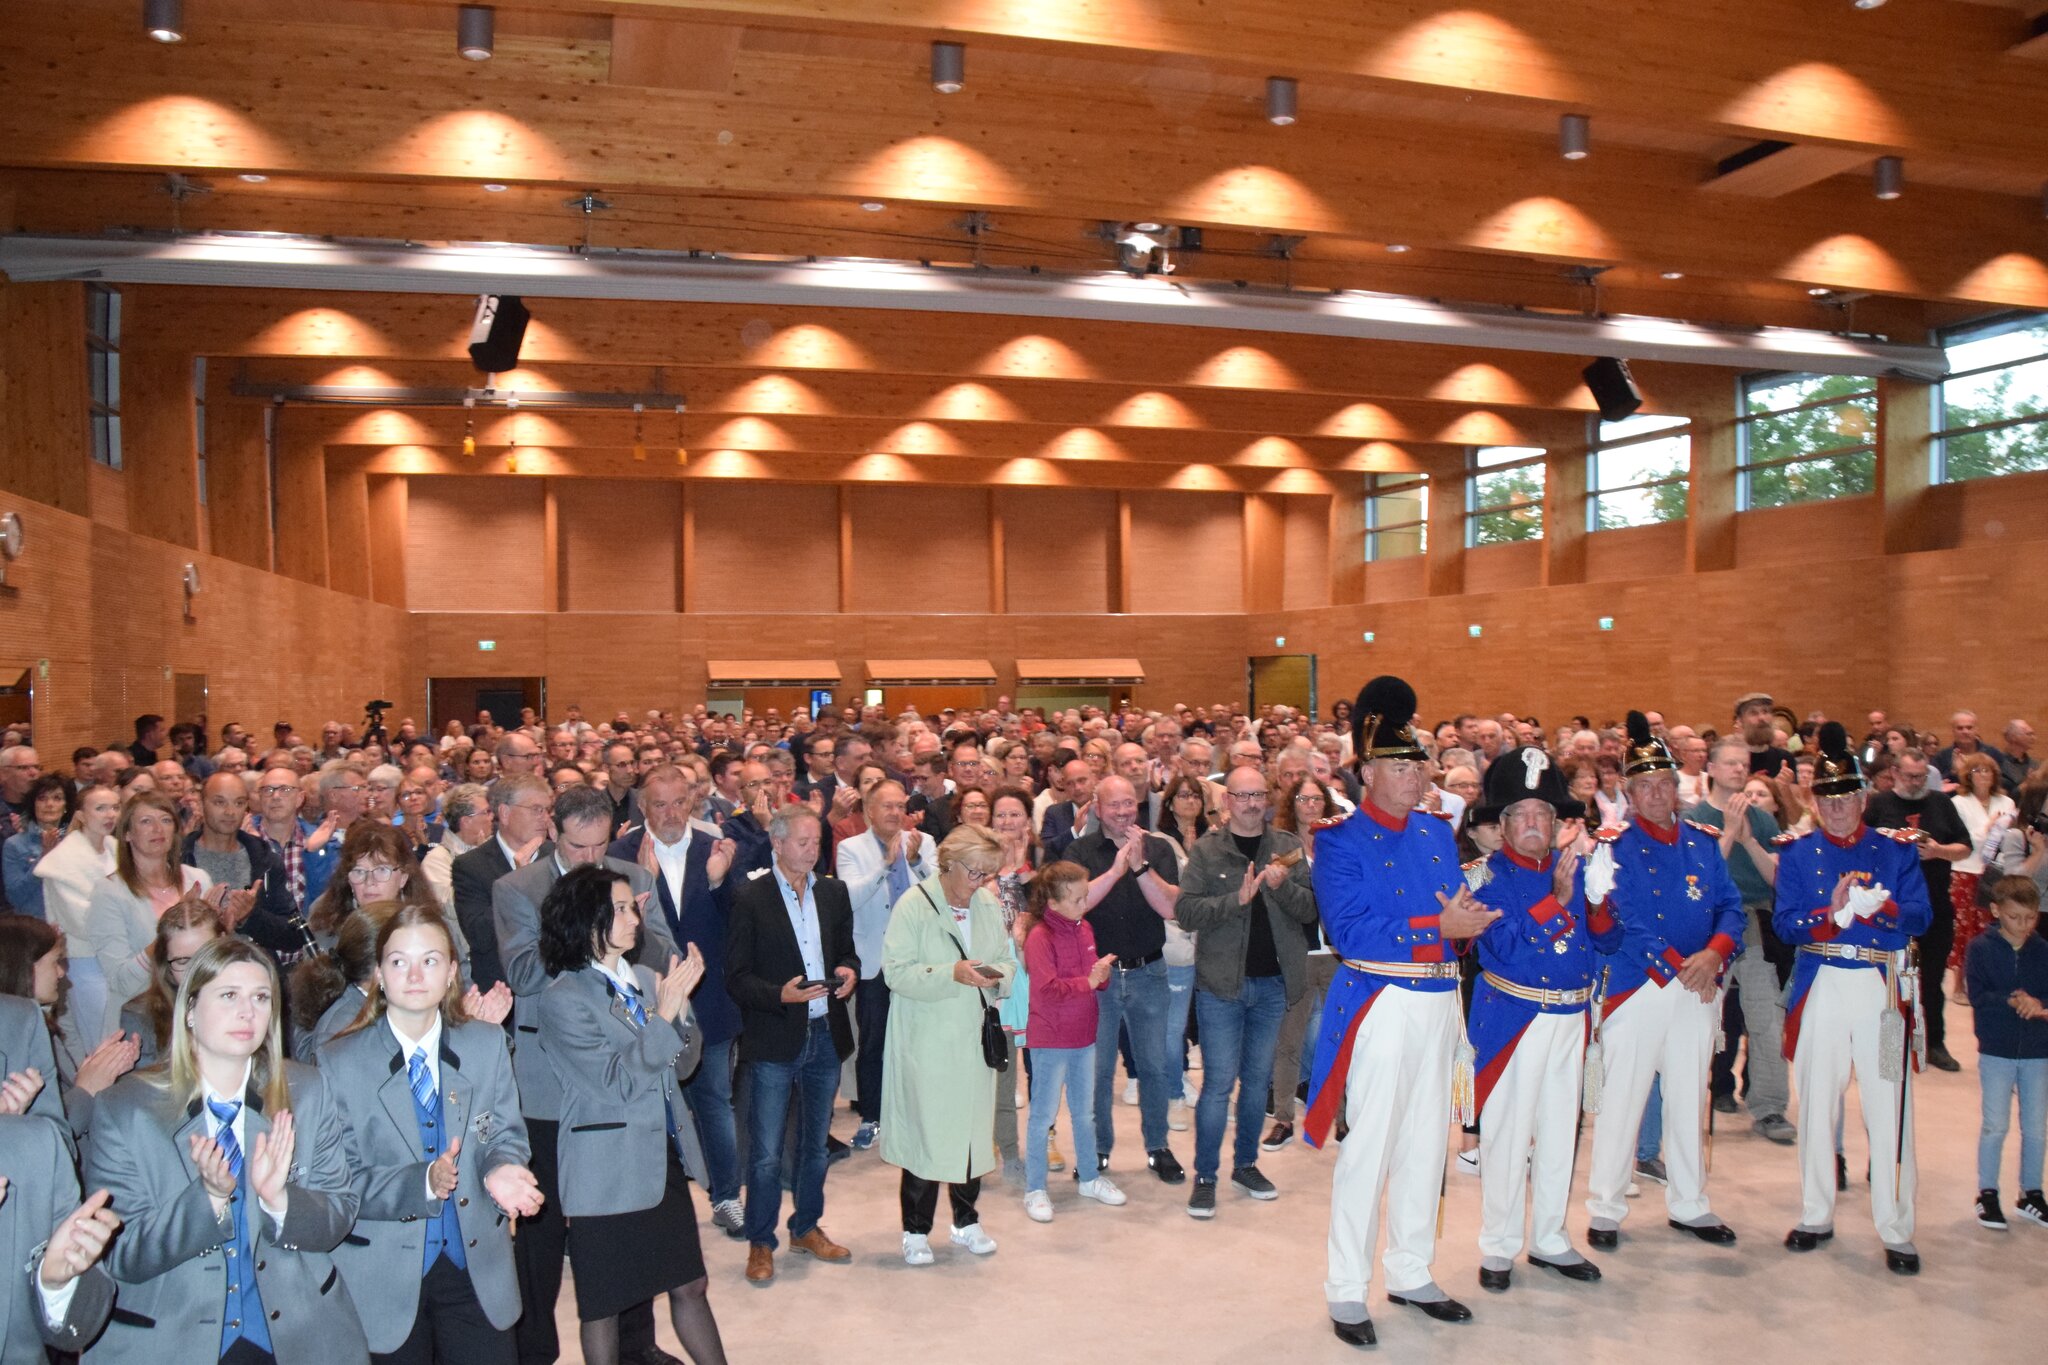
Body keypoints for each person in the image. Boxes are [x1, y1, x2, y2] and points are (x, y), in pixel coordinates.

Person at [1307, 676, 1498, 1347]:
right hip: (1383, 998)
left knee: (1425, 1143)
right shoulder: (1337, 838)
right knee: (1372, 1145)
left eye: (1418, 762)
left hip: (1440, 997)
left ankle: (1411, 1267)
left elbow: (1450, 912)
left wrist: (1467, 921)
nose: (1415, 774)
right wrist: (1437, 923)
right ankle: (1345, 1285)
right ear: (1366, 771)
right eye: (1399, 763)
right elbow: (1352, 930)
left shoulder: (1435, 832)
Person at [84, 936, 371, 1363]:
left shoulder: (306, 1090)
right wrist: (207, 1200)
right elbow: (122, 1256)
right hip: (174, 1334)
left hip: (294, 1327)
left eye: (260, 997)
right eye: (229, 995)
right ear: (190, 1012)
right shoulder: (124, 1109)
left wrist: (281, 1201)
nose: (247, 1012)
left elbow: (339, 1216)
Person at [493, 784, 672, 1365]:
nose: (592, 860)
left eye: (601, 846)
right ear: (553, 831)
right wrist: (584, 932)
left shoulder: (634, 880)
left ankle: (637, 1348)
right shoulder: (518, 887)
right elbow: (522, 973)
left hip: (625, 1067)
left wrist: (629, 936)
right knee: (543, 1236)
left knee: (630, 1223)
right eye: (578, 848)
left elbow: (663, 953)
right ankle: (535, 1351)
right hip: (548, 1084)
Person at [320, 904, 544, 1364]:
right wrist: (422, 1182)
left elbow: (505, 1132)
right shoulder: (339, 1062)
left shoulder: (484, 1043)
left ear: (451, 974)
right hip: (383, 1273)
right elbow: (337, 1180)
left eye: (431, 961)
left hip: (474, 1263)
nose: (415, 975)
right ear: (379, 973)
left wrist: (501, 1167)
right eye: (399, 961)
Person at [533, 865, 724, 1365]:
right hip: (605, 1170)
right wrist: (664, 1015)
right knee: (604, 1305)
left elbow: (682, 1065)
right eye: (618, 909)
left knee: (691, 1284)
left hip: (660, 1154)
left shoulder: (642, 979)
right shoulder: (562, 1000)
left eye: (631, 906)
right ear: (583, 919)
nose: (633, 917)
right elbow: (614, 1083)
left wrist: (679, 1011)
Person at [1773, 723, 1933, 1275]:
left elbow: (1920, 916)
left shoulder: (1893, 851)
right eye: (1827, 799)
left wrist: (1878, 909)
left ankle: (1895, 1225)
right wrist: (1832, 915)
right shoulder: (1796, 854)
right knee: (1817, 1101)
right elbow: (1787, 926)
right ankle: (1816, 1212)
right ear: (1813, 802)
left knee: (1889, 1102)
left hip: (1880, 989)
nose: (1837, 808)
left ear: (1863, 797)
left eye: (1846, 798)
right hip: (1823, 983)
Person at [1582, 712, 1743, 1253]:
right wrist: (1685, 963)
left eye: (1663, 784)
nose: (1655, 793)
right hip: (1640, 986)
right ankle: (1605, 1206)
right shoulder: (1615, 844)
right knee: (1623, 1099)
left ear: (1678, 787)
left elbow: (1730, 907)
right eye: (1643, 786)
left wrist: (1715, 954)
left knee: (1686, 1095)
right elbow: (1626, 916)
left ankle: (1690, 1203)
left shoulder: (1701, 841)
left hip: (1698, 988)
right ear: (1627, 792)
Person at [1464, 748, 1617, 1293]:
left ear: (1557, 823)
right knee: (1506, 1137)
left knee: (1560, 1134)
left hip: (1571, 1017)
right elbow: (1503, 949)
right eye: (1521, 815)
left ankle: (1550, 1237)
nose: (1534, 825)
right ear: (1501, 824)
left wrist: (1598, 905)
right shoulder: (1484, 876)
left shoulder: (1573, 866)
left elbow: (1607, 944)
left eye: (1543, 816)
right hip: (1515, 1017)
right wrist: (1556, 903)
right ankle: (1499, 1244)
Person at [1174, 766, 1318, 1217]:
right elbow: (1186, 912)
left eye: (1259, 795)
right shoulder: (1206, 850)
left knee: (1257, 1083)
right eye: (1243, 795)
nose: (1252, 803)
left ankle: (1246, 1165)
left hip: (1273, 984)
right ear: (1227, 802)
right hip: (1221, 987)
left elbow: (1311, 909)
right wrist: (1233, 901)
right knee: (1218, 1085)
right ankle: (1205, 1176)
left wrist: (1278, 891)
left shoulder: (1289, 849)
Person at [724, 804, 859, 1285]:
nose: (811, 850)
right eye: (801, 842)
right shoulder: (749, 898)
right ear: (777, 844)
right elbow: (736, 978)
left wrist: (848, 972)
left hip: (825, 1034)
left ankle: (806, 1226)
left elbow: (846, 951)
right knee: (764, 1154)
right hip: (774, 1037)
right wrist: (777, 995)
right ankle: (761, 1240)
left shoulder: (834, 893)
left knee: (815, 1147)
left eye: (816, 842)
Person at [609, 766, 743, 1234]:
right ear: (642, 808)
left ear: (693, 803)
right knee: (651, 1105)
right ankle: (655, 1202)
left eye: (678, 803)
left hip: (711, 997)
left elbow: (739, 922)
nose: (670, 813)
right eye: (658, 804)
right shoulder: (619, 856)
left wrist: (718, 883)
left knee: (713, 1100)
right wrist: (641, 881)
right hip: (645, 1001)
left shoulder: (718, 850)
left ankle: (726, 1195)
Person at [881, 824, 1018, 1266]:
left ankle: (966, 1221)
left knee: (972, 1134)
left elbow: (1008, 959)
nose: (980, 883)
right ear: (949, 863)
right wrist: (950, 974)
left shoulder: (987, 903)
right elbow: (895, 972)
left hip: (975, 1038)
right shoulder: (913, 905)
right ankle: (916, 1230)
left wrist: (997, 977)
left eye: (987, 875)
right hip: (927, 1041)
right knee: (927, 1132)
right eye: (975, 873)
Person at [1066, 774, 1184, 1184]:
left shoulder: (1159, 847)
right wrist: (1116, 871)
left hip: (1149, 971)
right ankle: (1097, 1148)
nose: (1122, 812)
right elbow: (1073, 907)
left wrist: (1140, 867)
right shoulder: (1080, 850)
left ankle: (1158, 1146)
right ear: (1097, 809)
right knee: (1096, 1071)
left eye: (1129, 804)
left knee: (1154, 1066)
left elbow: (1171, 909)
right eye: (1113, 805)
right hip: (1097, 978)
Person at [1688, 737, 1794, 1145]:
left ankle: (1769, 1105)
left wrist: (1748, 837)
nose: (1737, 770)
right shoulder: (1695, 818)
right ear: (1711, 769)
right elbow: (1699, 882)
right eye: (1729, 763)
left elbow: (1778, 881)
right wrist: (1728, 833)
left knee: (1766, 1019)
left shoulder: (1763, 820)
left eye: (1743, 764)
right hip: (1710, 928)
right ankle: (1692, 1097)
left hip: (1753, 925)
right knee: (1701, 1019)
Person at [1017, 860, 1122, 1222]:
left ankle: (1090, 1177)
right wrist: (1089, 983)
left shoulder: (1085, 928)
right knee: (1042, 1115)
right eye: (1077, 899)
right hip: (1050, 1038)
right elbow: (1045, 990)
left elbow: (1091, 978)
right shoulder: (1039, 937)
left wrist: (1101, 976)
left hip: (1083, 1034)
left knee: (1084, 1112)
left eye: (1085, 897)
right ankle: (1035, 1188)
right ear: (1054, 902)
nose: (1084, 905)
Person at [835, 780, 937, 1151]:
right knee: (874, 1042)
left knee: (920, 1041)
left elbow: (941, 892)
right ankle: (872, 1117)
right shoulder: (851, 848)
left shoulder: (922, 843)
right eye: (887, 807)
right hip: (874, 961)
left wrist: (914, 863)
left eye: (900, 806)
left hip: (919, 959)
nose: (896, 813)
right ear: (868, 811)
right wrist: (885, 864)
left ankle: (918, 1112)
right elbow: (849, 898)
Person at [1865, 749, 1971, 1071]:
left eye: (1922, 776)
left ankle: (1934, 1042)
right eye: (1911, 776)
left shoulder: (1941, 803)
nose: (1917, 782)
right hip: (1891, 909)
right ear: (1895, 772)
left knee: (1933, 977)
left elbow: (1965, 847)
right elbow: (1861, 847)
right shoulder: (1879, 804)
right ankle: (1886, 1042)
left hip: (1935, 904)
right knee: (1890, 977)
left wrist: (1938, 850)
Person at [80, 791, 213, 1046]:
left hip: (198, 1017)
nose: (157, 829)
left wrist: (225, 923)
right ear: (127, 834)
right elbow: (121, 979)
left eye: (165, 820)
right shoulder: (109, 892)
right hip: (144, 1025)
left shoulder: (197, 879)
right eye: (145, 821)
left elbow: (211, 958)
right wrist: (173, 931)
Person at [1966, 875, 2048, 1232]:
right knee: (1995, 1125)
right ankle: (1987, 1192)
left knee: (2035, 1126)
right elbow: (1978, 995)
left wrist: (2039, 1005)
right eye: (2015, 917)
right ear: (1996, 911)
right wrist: (2011, 1000)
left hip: (2037, 1050)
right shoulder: (1980, 948)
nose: (2023, 926)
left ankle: (2031, 1193)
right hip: (1997, 1049)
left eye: (2030, 918)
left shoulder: (2043, 951)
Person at [1265, 774, 1336, 1149]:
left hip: (1339, 955)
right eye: (1303, 801)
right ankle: (1282, 1120)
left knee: (1339, 1039)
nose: (1310, 807)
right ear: (1292, 807)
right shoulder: (1287, 849)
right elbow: (1281, 899)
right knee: (1289, 1041)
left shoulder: (1338, 844)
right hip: (1299, 954)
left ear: (1326, 804)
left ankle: (1341, 1118)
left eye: (1316, 800)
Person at [33, 781, 122, 1059]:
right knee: (100, 1041)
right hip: (87, 962)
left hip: (122, 955)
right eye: (100, 808)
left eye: (115, 807)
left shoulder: (117, 849)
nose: (110, 815)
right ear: (81, 814)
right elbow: (83, 921)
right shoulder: (63, 861)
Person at [451, 775, 552, 994]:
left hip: (555, 983)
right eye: (536, 809)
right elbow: (479, 935)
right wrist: (519, 883)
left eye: (547, 810)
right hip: (503, 991)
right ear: (505, 813)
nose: (545, 818)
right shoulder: (471, 866)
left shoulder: (555, 856)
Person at [123, 894, 223, 1068]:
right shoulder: (139, 1017)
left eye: (206, 956)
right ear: (165, 964)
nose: (196, 970)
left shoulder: (250, 1003)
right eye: (183, 961)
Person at [1950, 752, 2016, 976]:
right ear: (1968, 775)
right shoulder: (1958, 803)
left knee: (1989, 926)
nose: (1983, 775)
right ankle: (1960, 979)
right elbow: (1964, 838)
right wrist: (1989, 828)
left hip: (1994, 872)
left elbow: (2010, 837)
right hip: (1965, 870)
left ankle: (1988, 975)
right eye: (1977, 770)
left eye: (1987, 770)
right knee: (1964, 929)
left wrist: (1996, 832)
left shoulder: (2006, 802)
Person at [2, 773, 71, 921]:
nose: (49, 804)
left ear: (66, 806)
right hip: (35, 927)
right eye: (42, 798)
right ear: (33, 805)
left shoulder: (75, 841)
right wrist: (44, 859)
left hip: (72, 923)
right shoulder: (15, 844)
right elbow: (15, 896)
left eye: (57, 798)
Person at [419, 782, 491, 916]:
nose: (491, 817)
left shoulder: (491, 847)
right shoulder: (436, 861)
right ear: (466, 821)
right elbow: (452, 907)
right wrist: (481, 860)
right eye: (486, 812)